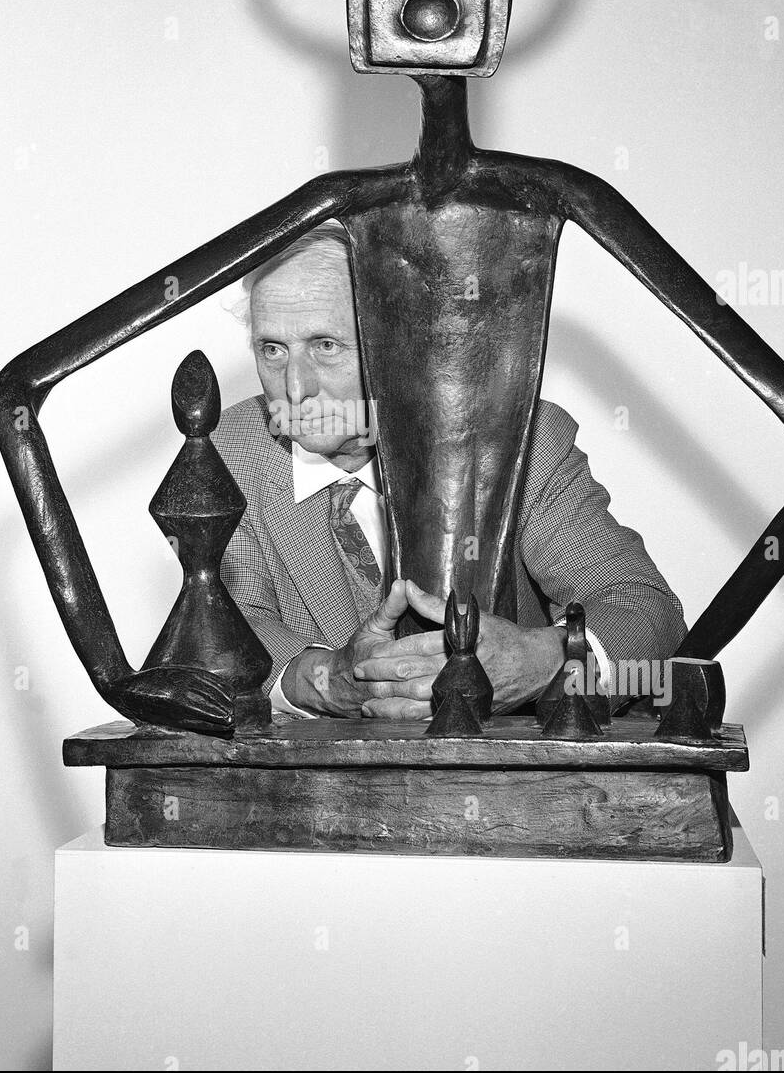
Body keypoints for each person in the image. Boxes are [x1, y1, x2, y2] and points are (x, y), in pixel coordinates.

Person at [211, 224, 686, 721]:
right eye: (272, 349)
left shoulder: (522, 438)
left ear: (400, 342)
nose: (295, 386)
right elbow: (227, 627)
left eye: (326, 346)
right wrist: (322, 679)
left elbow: (643, 611)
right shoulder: (231, 449)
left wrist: (544, 662)